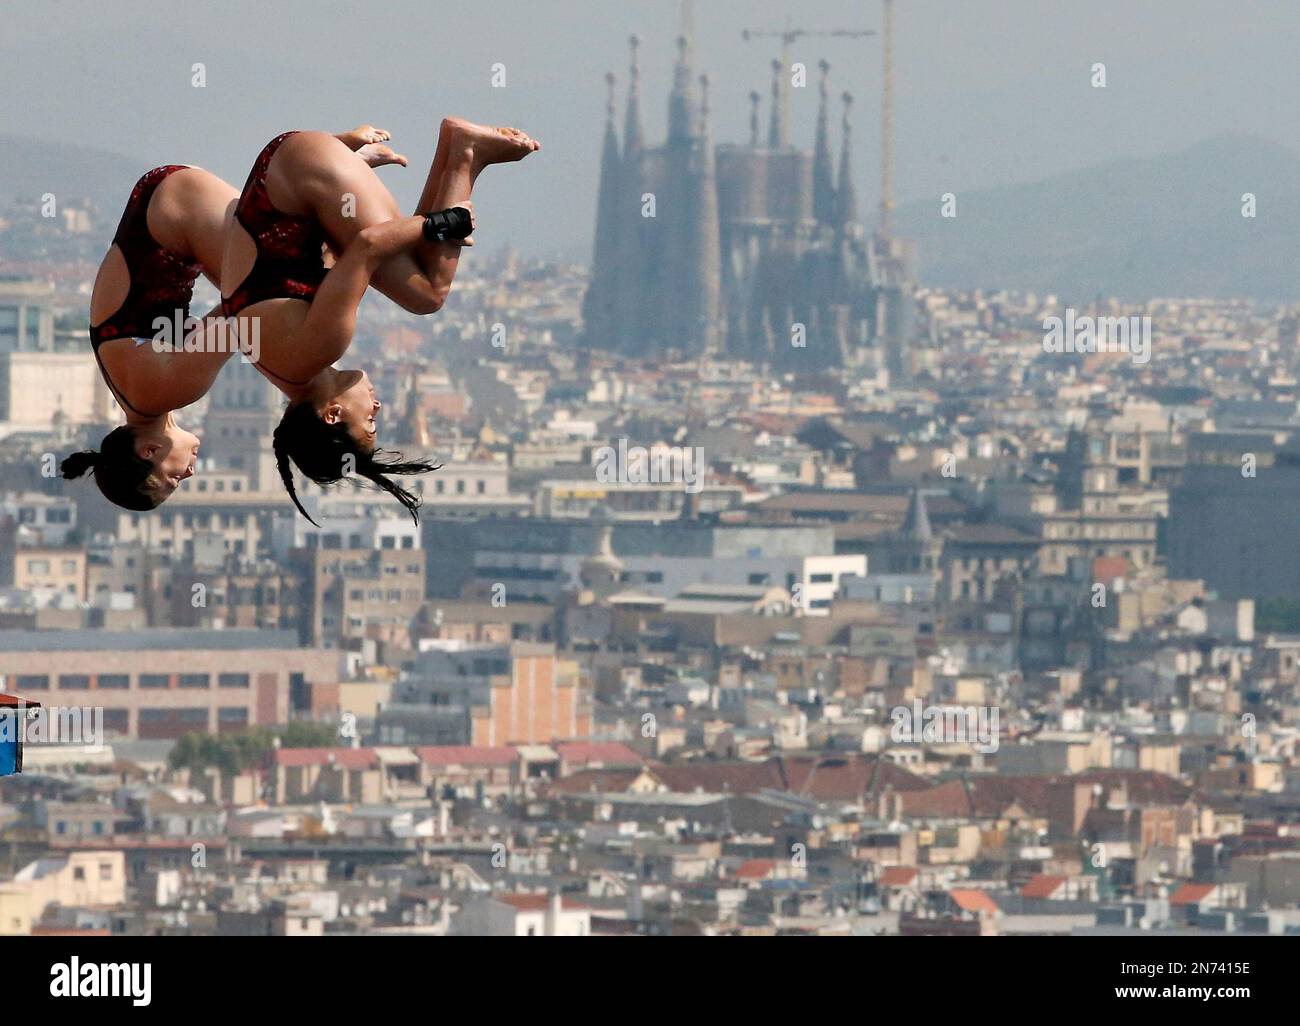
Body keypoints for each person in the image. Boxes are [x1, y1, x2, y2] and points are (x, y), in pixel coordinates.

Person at [220, 119, 538, 523]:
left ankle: (466, 155)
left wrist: (448, 222)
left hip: (303, 174)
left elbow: (368, 247)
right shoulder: (279, 366)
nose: (377, 405)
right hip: (283, 167)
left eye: (369, 420)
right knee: (413, 266)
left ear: (332, 414)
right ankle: (456, 146)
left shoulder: (317, 349)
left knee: (428, 294)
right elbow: (335, 259)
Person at [62, 164, 239, 509]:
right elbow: (234, 311)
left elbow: (250, 319)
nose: (189, 473)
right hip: (163, 200)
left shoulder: (169, 391)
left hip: (181, 210)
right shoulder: (132, 392)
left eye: (174, 479)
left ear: (149, 451)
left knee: (299, 284)